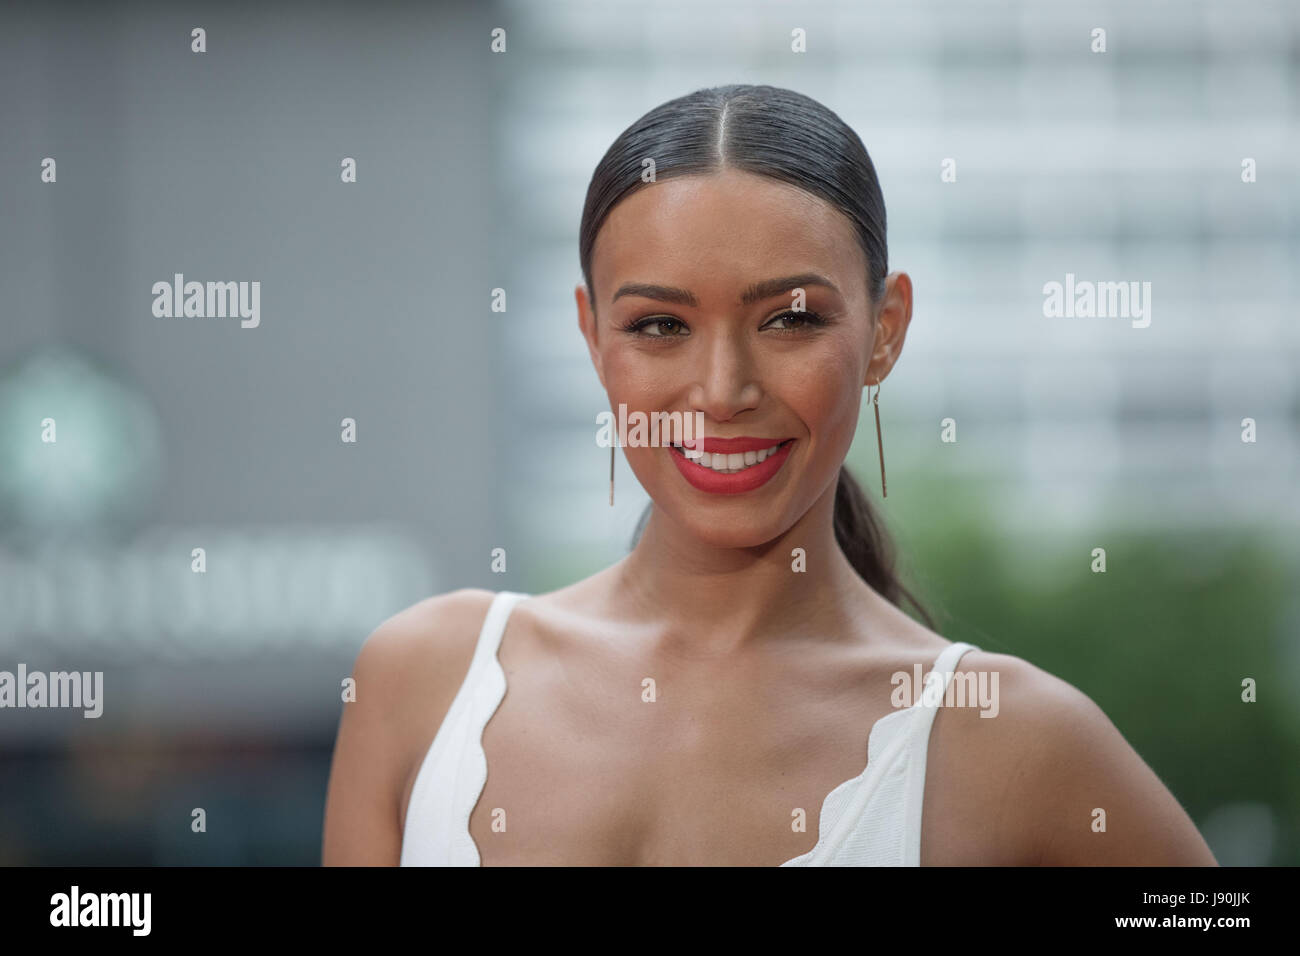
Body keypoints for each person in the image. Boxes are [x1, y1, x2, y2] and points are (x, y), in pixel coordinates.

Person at [321, 84, 1217, 866]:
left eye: (790, 319)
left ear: (886, 329)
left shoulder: (1011, 738)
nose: (723, 392)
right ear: (593, 336)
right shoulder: (422, 682)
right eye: (660, 327)